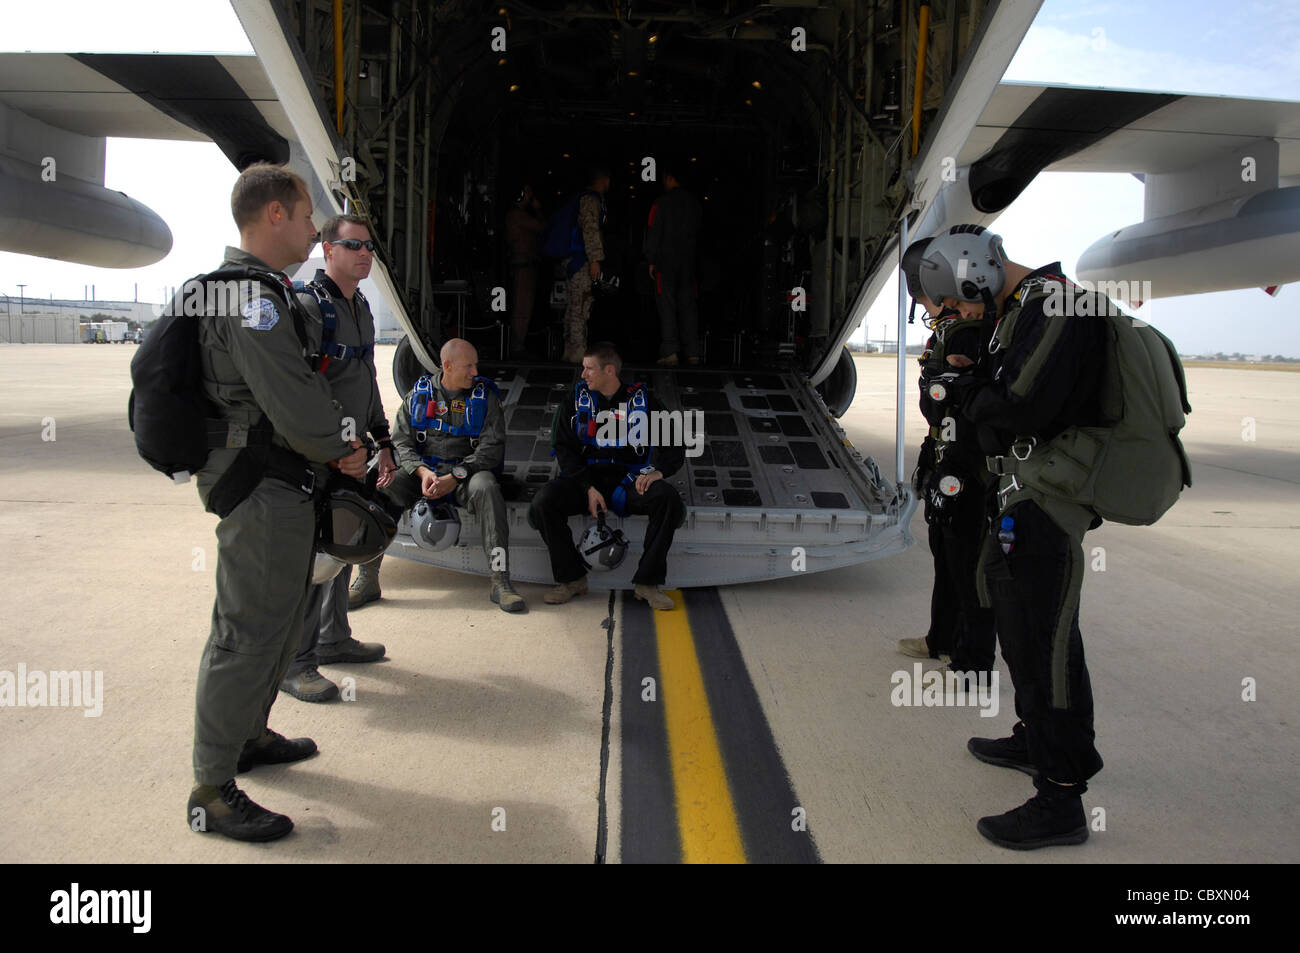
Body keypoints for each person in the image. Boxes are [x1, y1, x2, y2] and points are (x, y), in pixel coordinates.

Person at [914, 224, 1108, 850]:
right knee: (1025, 633)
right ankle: (1036, 739)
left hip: (1046, 504)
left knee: (1044, 642)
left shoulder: (1055, 304)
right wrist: (979, 387)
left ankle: (1061, 799)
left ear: (976, 272)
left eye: (956, 302)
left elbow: (1018, 406)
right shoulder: (1023, 311)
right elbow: (1001, 400)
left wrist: (968, 388)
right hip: (1019, 497)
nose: (955, 315)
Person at [189, 163, 369, 841]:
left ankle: (249, 736)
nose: (311, 230)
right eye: (302, 217)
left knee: (280, 618)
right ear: (273, 216)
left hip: (282, 481)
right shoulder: (249, 299)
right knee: (247, 631)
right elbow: (293, 400)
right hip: (261, 484)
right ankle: (211, 787)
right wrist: (340, 447)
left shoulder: (265, 292)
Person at [280, 215, 397, 703]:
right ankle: (296, 663)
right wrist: (334, 448)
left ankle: (333, 638)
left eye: (370, 246)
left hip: (355, 454)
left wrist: (382, 439)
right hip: (319, 456)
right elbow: (300, 388)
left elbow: (365, 378)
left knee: (344, 546)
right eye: (354, 245)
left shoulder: (362, 306)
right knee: (313, 561)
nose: (365, 254)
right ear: (328, 250)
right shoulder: (310, 306)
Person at [896, 237, 997, 680]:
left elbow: (949, 405)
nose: (923, 304)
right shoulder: (951, 332)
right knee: (946, 554)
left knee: (967, 563)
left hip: (965, 464)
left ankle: (973, 660)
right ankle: (942, 640)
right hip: (947, 456)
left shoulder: (966, 332)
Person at [530, 341, 685, 610]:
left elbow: (674, 445)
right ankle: (572, 579)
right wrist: (586, 486)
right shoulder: (574, 402)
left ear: (609, 370)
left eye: (589, 368)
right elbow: (564, 450)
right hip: (585, 481)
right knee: (544, 503)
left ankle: (647, 584)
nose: (583, 374)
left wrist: (656, 472)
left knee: (668, 499)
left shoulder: (645, 402)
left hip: (629, 482)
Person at [387, 337, 525, 612]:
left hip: (466, 476)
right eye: (469, 366)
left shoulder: (484, 397)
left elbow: (491, 451)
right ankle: (368, 578)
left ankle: (500, 581)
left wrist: (455, 477)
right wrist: (422, 471)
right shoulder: (419, 395)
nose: (475, 372)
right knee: (386, 488)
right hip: (425, 474)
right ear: (447, 366)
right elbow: (401, 441)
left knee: (487, 487)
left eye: (475, 365)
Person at [644, 167, 702, 366]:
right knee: (688, 306)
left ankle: (670, 351)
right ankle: (693, 352)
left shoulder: (661, 203)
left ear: (669, 178)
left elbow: (653, 231)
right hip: (689, 263)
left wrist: (651, 259)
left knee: (667, 307)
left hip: (665, 263)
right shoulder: (695, 203)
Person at [560, 166, 610, 363]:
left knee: (573, 305)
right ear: (604, 180)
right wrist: (595, 260)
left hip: (573, 261)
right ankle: (578, 352)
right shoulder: (590, 200)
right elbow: (590, 231)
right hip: (581, 261)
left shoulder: (581, 198)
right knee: (581, 306)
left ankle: (568, 349)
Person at [505, 184, 544, 358]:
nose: (530, 196)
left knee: (523, 307)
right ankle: (517, 346)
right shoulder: (518, 215)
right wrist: (538, 210)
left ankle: (518, 344)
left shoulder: (517, 215)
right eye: (527, 192)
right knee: (522, 307)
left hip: (525, 264)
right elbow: (542, 227)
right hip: (523, 265)